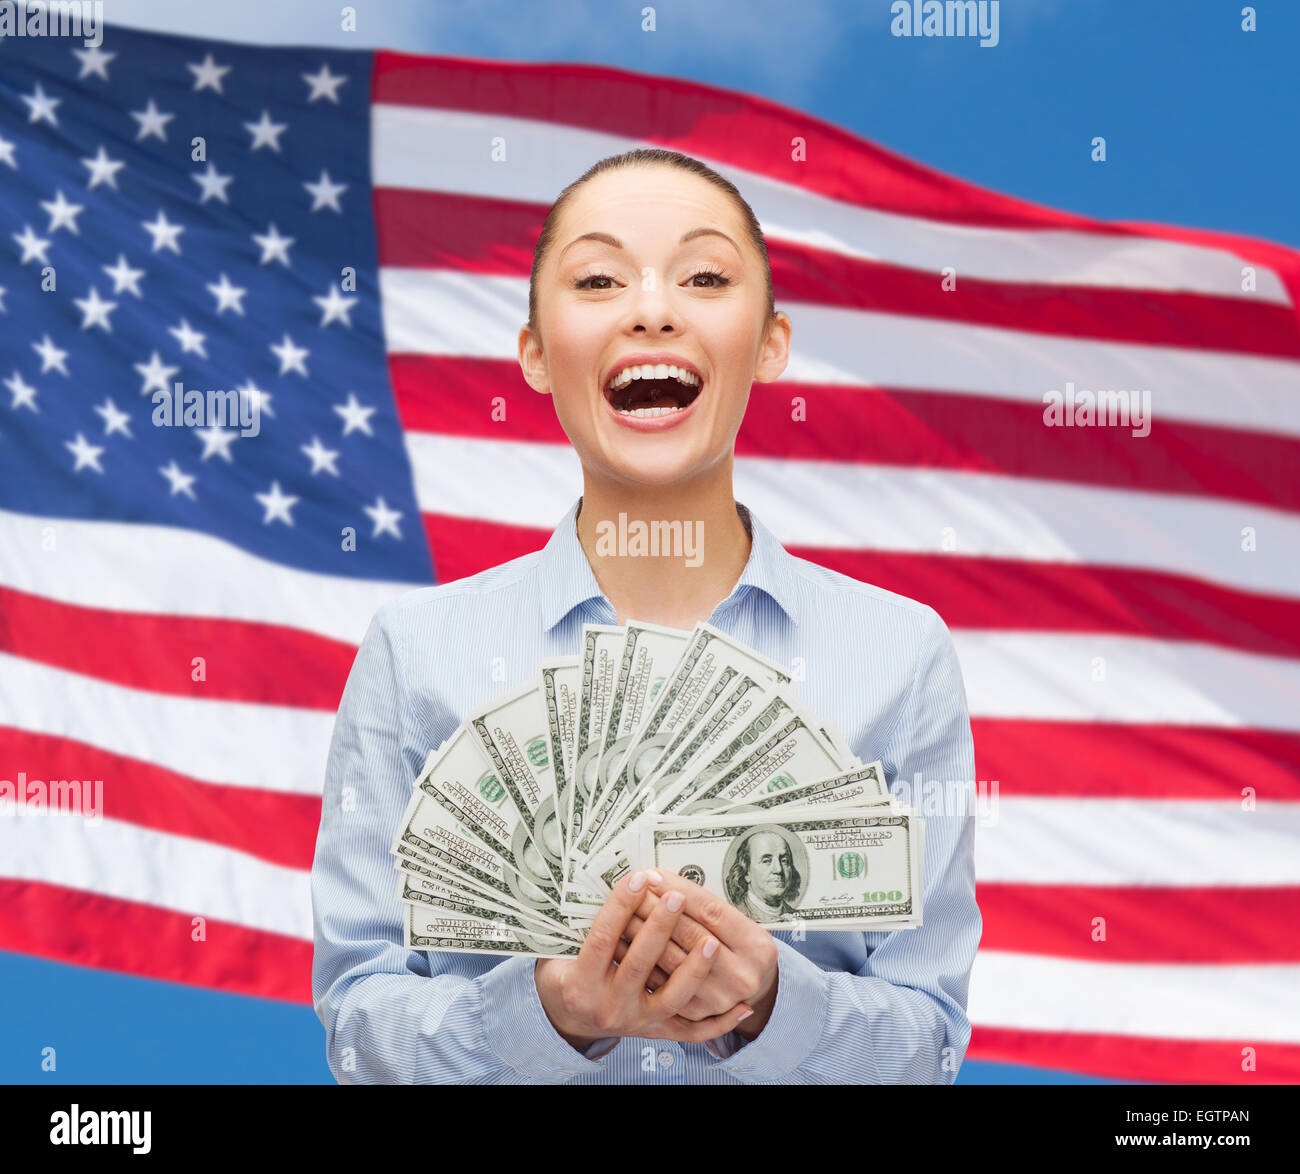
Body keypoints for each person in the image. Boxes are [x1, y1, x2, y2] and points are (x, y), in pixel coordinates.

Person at [311, 147, 981, 1084]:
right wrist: (548, 1017)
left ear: (772, 343)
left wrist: (776, 1007)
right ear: (537, 356)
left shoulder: (900, 657)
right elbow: (359, 1031)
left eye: (706, 276)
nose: (654, 308)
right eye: (598, 279)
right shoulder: (413, 654)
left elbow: (929, 1043)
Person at [725, 830, 802, 923]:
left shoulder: (799, 917)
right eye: (766, 861)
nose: (778, 869)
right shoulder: (733, 917)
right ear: (746, 872)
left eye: (784, 860)